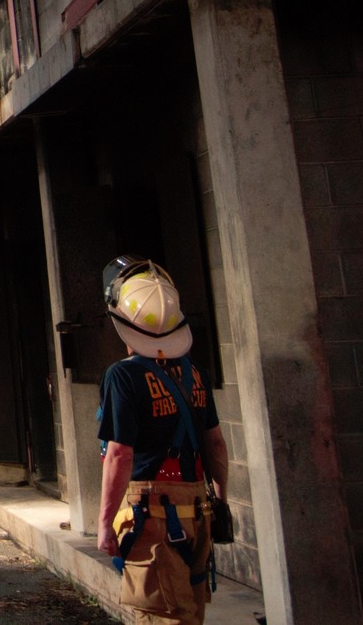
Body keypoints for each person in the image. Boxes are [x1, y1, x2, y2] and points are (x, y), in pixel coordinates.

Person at [94, 258, 228, 625]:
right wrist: (220, 504)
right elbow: (215, 444)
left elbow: (119, 455)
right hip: (197, 510)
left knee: (162, 616)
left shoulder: (122, 376)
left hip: (153, 517)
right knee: (191, 614)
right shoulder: (194, 373)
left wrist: (104, 523)